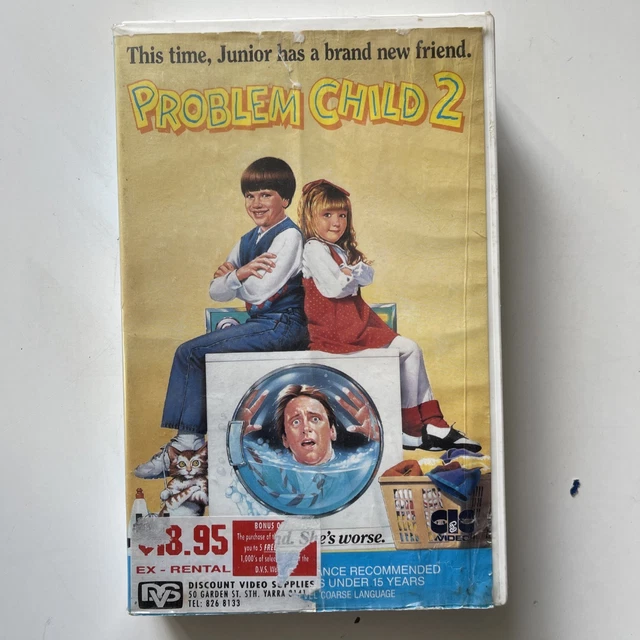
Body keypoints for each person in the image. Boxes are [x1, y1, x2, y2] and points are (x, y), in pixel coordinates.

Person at [135, 157, 309, 479]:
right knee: (190, 352)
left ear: (285, 199)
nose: (256, 203)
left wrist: (234, 279)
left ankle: (186, 445)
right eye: (250, 195)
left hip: (286, 325)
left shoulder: (289, 237)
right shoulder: (247, 240)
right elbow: (215, 292)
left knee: (190, 352)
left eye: (266, 194)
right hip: (263, 324)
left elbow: (260, 290)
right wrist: (241, 274)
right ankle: (187, 446)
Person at [297, 179, 481, 453]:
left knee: (411, 348)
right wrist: (350, 275)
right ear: (311, 217)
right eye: (328, 215)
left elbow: (360, 277)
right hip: (333, 335)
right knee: (405, 351)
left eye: (342, 215)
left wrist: (352, 273)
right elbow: (334, 288)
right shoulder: (313, 248)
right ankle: (412, 427)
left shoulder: (336, 250)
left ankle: (431, 423)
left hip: (353, 327)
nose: (336, 222)